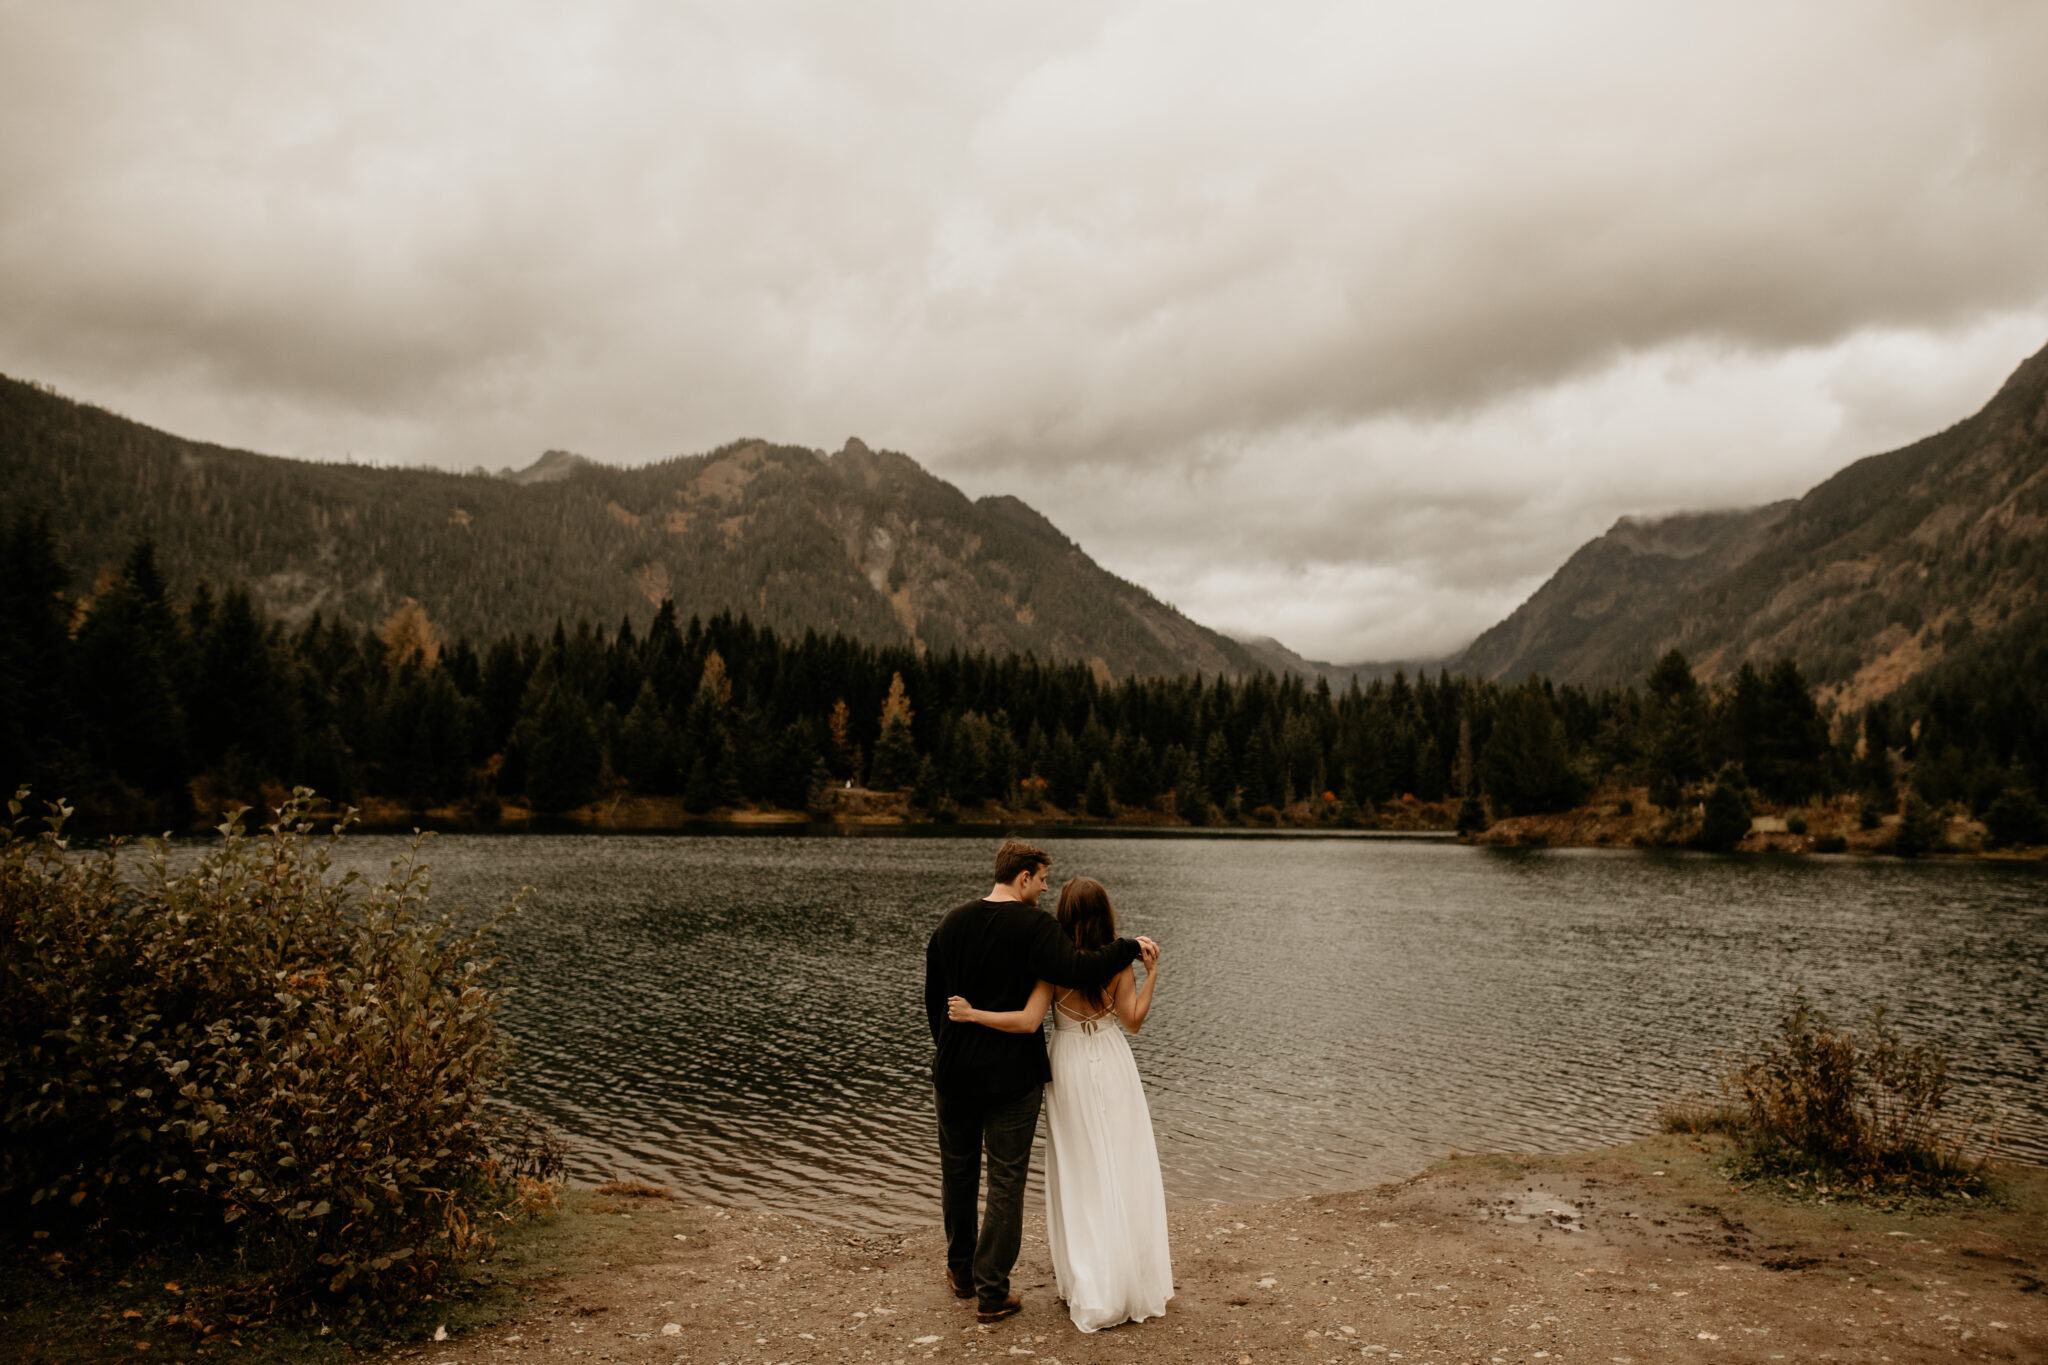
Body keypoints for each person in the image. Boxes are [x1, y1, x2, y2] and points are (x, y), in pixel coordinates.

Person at [924, 841, 1155, 1324]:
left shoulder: (949, 922)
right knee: (1006, 1181)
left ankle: (960, 1271)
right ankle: (991, 1292)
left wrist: (951, 1048)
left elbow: (933, 1002)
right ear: (1024, 877)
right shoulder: (1035, 927)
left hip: (955, 1073)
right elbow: (1077, 969)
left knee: (958, 1173)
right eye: (1042, 878)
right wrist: (1130, 947)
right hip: (1012, 1077)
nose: (1046, 888)